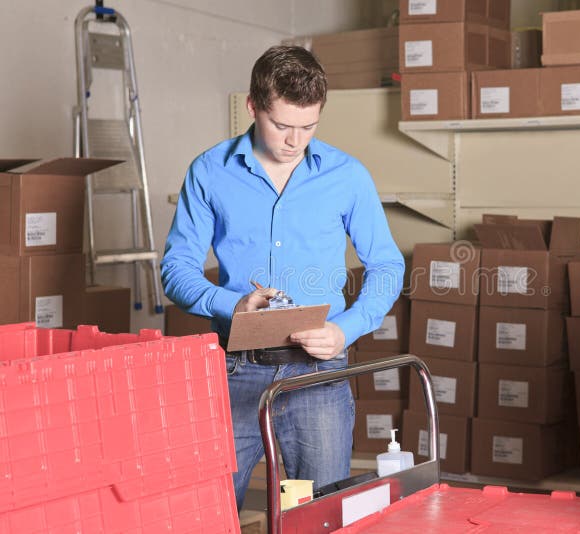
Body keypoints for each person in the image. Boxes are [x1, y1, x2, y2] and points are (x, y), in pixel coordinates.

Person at [161, 45, 405, 511]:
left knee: (322, 518)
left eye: (309, 126)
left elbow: (388, 265)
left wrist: (345, 330)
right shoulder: (210, 172)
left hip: (319, 374)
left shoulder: (347, 176)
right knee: (212, 514)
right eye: (282, 125)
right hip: (235, 370)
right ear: (253, 107)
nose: (295, 140)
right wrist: (228, 303)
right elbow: (176, 269)